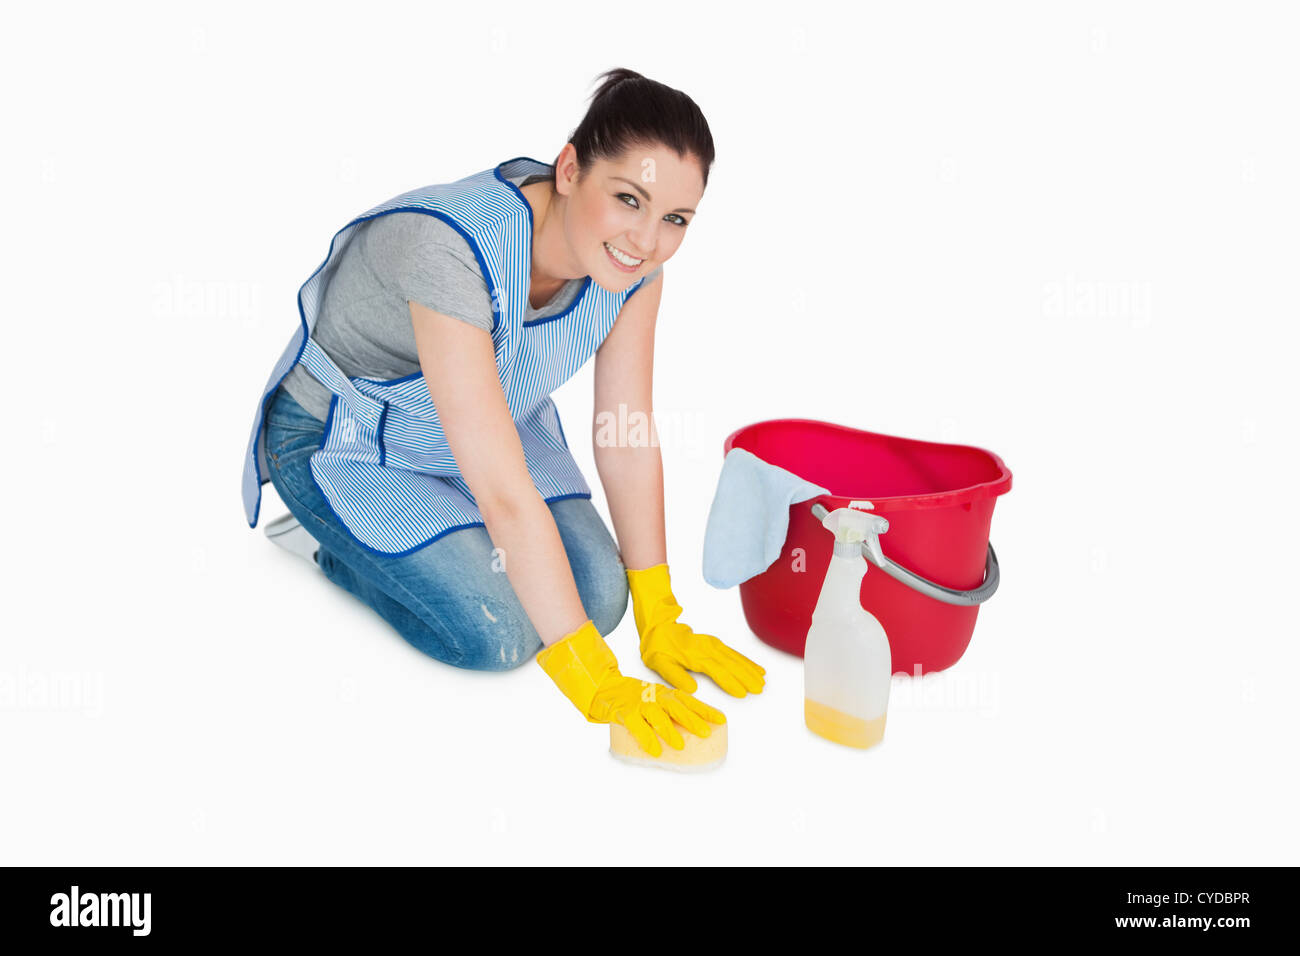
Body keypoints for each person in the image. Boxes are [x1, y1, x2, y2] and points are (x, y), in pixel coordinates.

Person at [240, 68, 764, 758]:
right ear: (571, 168)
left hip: (481, 430)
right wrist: (592, 676)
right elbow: (502, 491)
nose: (646, 240)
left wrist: (659, 611)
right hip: (342, 441)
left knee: (602, 600)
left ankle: (446, 541)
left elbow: (625, 433)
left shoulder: (635, 271)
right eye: (628, 199)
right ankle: (331, 545)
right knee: (499, 633)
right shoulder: (450, 250)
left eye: (674, 219)